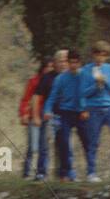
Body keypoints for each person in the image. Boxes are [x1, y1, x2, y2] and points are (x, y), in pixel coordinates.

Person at [80, 41, 110, 182]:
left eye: (104, 55)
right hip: (93, 108)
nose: (100, 58)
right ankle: (91, 172)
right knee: (93, 141)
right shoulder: (86, 70)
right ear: (93, 55)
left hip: (109, 107)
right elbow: (83, 92)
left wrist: (105, 83)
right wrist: (96, 86)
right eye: (98, 54)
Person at [43, 51, 88, 182]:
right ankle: (65, 173)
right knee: (63, 142)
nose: (73, 65)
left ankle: (91, 171)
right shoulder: (60, 78)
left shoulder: (85, 76)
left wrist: (86, 109)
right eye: (70, 62)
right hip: (65, 113)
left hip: (80, 112)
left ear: (80, 63)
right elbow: (52, 97)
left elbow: (90, 94)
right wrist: (47, 110)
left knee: (88, 142)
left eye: (76, 63)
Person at [30, 50, 67, 182]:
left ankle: (63, 174)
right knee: (44, 145)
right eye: (60, 61)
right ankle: (41, 173)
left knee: (64, 145)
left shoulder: (72, 77)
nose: (63, 64)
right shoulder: (47, 77)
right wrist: (35, 116)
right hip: (48, 114)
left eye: (66, 61)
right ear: (55, 63)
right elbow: (36, 96)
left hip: (65, 115)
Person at [19, 59, 51, 179]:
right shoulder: (34, 81)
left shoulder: (54, 81)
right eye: (48, 67)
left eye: (52, 67)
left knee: (44, 146)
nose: (50, 70)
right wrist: (24, 114)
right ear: (43, 68)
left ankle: (42, 172)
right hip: (34, 116)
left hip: (47, 116)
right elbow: (26, 99)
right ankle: (27, 172)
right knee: (33, 146)